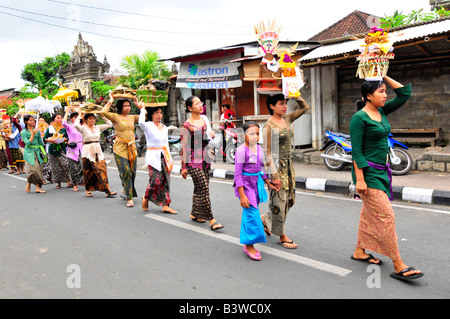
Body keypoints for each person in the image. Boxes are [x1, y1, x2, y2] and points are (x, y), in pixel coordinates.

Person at [349, 76, 423, 281]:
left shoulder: (381, 111)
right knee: (386, 216)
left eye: (384, 91)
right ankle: (398, 263)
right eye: (380, 91)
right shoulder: (359, 119)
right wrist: (360, 180)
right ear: (368, 96)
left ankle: (359, 251)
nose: (385, 95)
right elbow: (357, 152)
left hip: (382, 171)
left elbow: (404, 94)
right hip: (368, 173)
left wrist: (384, 75)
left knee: (368, 215)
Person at [261, 94, 310, 249]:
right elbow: (266, 152)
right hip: (276, 167)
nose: (285, 106)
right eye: (281, 103)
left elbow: (305, 107)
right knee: (279, 202)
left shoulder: (287, 119)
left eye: (285, 103)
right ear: (271, 106)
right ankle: (282, 236)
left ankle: (265, 219)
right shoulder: (268, 126)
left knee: (290, 199)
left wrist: (296, 94)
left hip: (289, 167)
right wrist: (274, 176)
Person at [234, 121, 279, 261]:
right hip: (245, 187)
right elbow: (238, 175)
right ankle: (249, 244)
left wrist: (268, 183)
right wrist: (242, 196)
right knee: (252, 213)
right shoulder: (241, 151)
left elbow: (261, 168)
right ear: (244, 135)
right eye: (252, 133)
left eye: (258, 134)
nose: (255, 136)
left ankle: (247, 241)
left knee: (249, 213)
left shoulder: (259, 149)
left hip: (256, 185)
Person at [181, 96, 223, 231]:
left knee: (200, 188)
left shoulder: (204, 120)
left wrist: (210, 135)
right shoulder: (187, 125)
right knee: (204, 188)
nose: (200, 105)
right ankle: (212, 219)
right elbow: (185, 146)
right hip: (193, 160)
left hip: (206, 157)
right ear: (190, 108)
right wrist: (183, 167)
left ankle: (195, 213)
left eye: (201, 103)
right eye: (197, 103)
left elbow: (209, 138)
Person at [137, 102, 177, 214]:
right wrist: (142, 109)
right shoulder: (148, 125)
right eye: (156, 113)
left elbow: (166, 144)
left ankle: (166, 204)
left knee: (166, 181)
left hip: (164, 155)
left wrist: (170, 159)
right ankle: (146, 197)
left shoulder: (164, 127)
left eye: (160, 113)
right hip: (153, 156)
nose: (159, 115)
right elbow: (140, 122)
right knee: (155, 180)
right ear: (151, 115)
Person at [102, 94, 139, 207]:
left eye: (129, 105)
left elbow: (145, 115)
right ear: (120, 107)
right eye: (125, 106)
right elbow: (103, 112)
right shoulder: (115, 116)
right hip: (120, 148)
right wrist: (111, 100)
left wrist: (138, 105)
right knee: (126, 172)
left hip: (132, 148)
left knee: (132, 172)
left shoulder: (133, 117)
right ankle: (129, 198)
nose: (127, 108)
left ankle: (125, 188)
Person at [74, 111, 117, 198]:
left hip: (98, 150)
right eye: (90, 118)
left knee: (102, 168)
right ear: (86, 120)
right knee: (88, 170)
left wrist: (103, 116)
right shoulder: (83, 128)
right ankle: (87, 190)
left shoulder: (97, 127)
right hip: (87, 151)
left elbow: (109, 124)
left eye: (93, 118)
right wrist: (79, 116)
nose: (92, 120)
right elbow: (76, 125)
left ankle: (107, 190)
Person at [43, 113, 71, 189]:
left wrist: (64, 139)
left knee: (65, 164)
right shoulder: (50, 128)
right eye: (57, 118)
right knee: (55, 167)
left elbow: (68, 138)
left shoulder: (64, 128)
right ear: (54, 119)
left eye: (60, 118)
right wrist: (50, 140)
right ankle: (58, 183)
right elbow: (45, 138)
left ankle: (69, 180)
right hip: (52, 149)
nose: (59, 119)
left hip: (62, 148)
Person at [20, 115, 46, 194]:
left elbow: (40, 143)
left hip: (38, 151)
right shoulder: (23, 132)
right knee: (33, 170)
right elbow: (27, 143)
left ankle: (37, 187)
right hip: (29, 151)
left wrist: (43, 152)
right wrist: (32, 134)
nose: (33, 122)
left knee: (39, 169)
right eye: (30, 120)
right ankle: (29, 182)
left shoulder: (37, 131)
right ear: (26, 121)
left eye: (33, 120)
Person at [63, 108, 84, 192]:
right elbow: (64, 123)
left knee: (83, 165)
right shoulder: (70, 127)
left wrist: (81, 113)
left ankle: (81, 180)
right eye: (75, 117)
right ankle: (74, 184)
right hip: (72, 148)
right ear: (71, 119)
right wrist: (67, 112)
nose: (77, 118)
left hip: (82, 147)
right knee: (72, 167)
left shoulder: (83, 126)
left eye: (78, 116)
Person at [37, 117, 52, 184]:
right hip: (40, 148)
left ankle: (49, 176)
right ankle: (42, 178)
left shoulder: (47, 128)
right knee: (42, 162)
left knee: (49, 162)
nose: (41, 122)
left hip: (47, 146)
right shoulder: (36, 129)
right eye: (40, 120)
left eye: (43, 120)